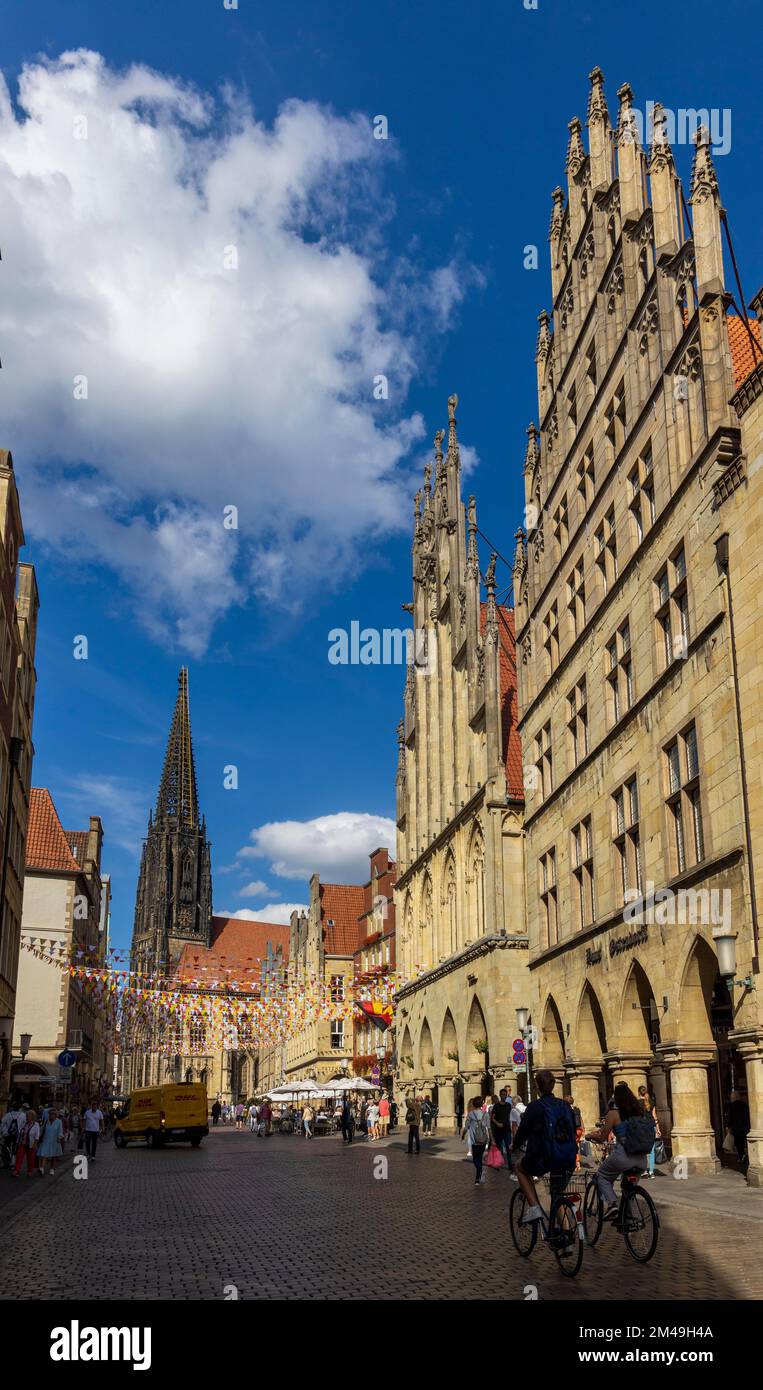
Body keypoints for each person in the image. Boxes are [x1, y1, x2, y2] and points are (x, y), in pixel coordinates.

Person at [511, 1071, 577, 1223]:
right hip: (567, 1157)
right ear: (553, 1085)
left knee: (519, 1168)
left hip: (543, 1158)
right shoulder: (565, 1105)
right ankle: (566, 1236)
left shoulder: (535, 1107)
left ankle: (534, 1207)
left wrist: (514, 1146)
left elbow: (522, 1133)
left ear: (537, 1086)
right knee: (557, 1194)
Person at [586, 1083, 655, 1221]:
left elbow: (602, 1137)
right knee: (628, 1187)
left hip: (623, 1155)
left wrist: (590, 1136)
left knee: (602, 1176)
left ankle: (612, 1205)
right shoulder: (640, 1111)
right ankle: (630, 1217)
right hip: (641, 1159)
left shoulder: (613, 1114)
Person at [462, 1095, 492, 1185]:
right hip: (483, 1139)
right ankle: (479, 1176)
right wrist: (491, 1138)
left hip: (474, 1140)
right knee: (479, 1157)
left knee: (476, 1159)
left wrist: (463, 1135)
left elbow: (466, 1126)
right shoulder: (485, 1114)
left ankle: (478, 1176)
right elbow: (489, 1127)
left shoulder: (471, 1114)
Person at [637, 1085, 659, 1177]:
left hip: (642, 1128)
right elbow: (654, 1116)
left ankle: (644, 1171)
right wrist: (658, 1128)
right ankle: (651, 1172)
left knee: (643, 1150)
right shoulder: (651, 1102)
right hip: (651, 1127)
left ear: (638, 1092)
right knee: (652, 1151)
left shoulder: (637, 1103)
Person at [13, 1109, 40, 1178]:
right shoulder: (24, 1124)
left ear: (32, 1117)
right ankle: (16, 1171)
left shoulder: (36, 1125)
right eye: (26, 1116)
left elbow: (37, 1136)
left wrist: (35, 1144)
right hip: (22, 1143)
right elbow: (20, 1133)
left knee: (31, 1159)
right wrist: (17, 1142)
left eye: (28, 1116)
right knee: (19, 1157)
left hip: (31, 1144)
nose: (26, 1117)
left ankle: (29, 1171)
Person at [728, 1091, 751, 1171]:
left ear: (733, 1097)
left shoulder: (732, 1106)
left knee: (738, 1143)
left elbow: (730, 1117)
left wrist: (728, 1126)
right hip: (745, 1127)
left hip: (737, 1128)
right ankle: (746, 1155)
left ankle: (742, 1156)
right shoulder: (744, 1105)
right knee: (745, 1142)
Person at [38, 1106, 64, 1176]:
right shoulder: (46, 1121)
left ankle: (52, 1169)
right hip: (46, 1140)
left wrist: (59, 1137)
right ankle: (41, 1168)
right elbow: (42, 1130)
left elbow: (61, 1131)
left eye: (53, 1114)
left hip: (55, 1140)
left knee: (53, 1156)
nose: (51, 1115)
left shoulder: (59, 1122)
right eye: (50, 1114)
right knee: (44, 1155)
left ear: (55, 1115)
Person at [564, 1093, 584, 1170]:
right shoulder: (577, 1109)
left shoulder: (567, 1110)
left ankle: (575, 1164)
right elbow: (581, 1120)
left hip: (572, 1131)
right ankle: (577, 1164)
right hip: (579, 1130)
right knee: (575, 1146)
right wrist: (583, 1130)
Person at [490, 1092, 510, 1165]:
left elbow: (510, 1116)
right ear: (500, 1095)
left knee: (508, 1147)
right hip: (499, 1130)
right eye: (503, 1095)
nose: (504, 1096)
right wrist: (497, 1124)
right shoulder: (496, 1106)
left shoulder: (508, 1105)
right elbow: (492, 1118)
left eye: (505, 1095)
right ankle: (499, 1162)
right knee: (499, 1147)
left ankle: (510, 1164)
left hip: (507, 1129)